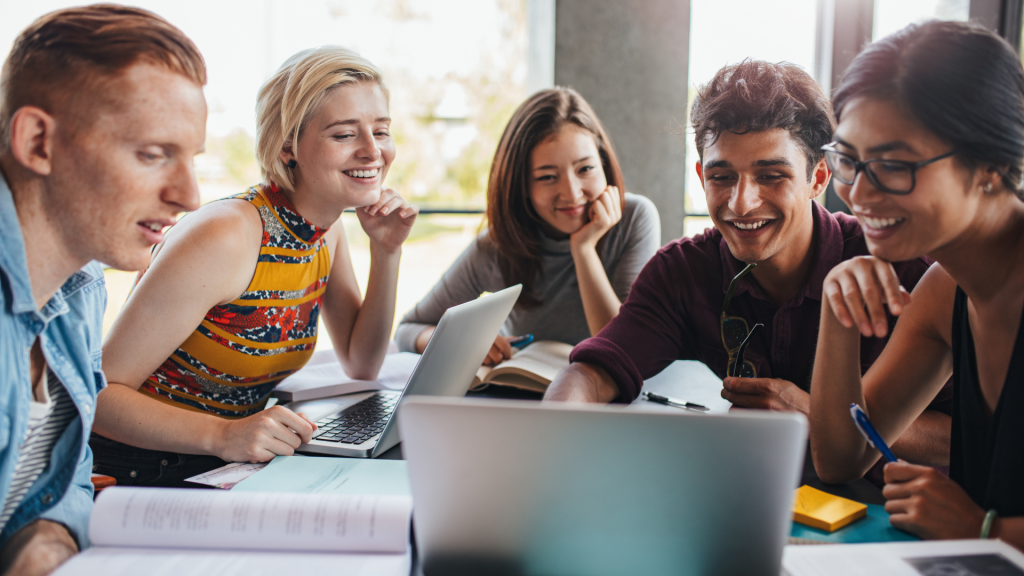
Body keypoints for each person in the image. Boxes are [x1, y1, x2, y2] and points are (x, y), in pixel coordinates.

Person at [543, 60, 951, 475]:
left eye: (771, 176)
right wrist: (551, 449)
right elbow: (590, 375)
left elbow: (967, 438)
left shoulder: (907, 271)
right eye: (722, 177)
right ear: (701, 176)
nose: (741, 204)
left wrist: (816, 414)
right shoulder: (682, 271)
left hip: (887, 504)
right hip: (748, 491)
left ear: (818, 177)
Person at [92, 46, 418, 487]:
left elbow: (362, 363)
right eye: (344, 135)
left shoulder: (327, 229)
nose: (372, 151)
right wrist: (224, 434)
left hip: (225, 464)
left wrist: (387, 250)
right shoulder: (225, 234)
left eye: (380, 131)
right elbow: (98, 395)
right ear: (288, 148)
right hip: (141, 470)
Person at [0, 5, 207, 574]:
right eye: (153, 154)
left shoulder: (81, 283)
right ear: (38, 142)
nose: (189, 196)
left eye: (191, 158)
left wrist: (45, 540)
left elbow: (62, 479)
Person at [809, 21, 1024, 547]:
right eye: (848, 161)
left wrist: (984, 530)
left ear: (992, 165)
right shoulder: (945, 291)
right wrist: (837, 311)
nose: (858, 193)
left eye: (891, 165)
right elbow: (841, 459)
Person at [395, 87, 661, 366]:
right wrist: (461, 343)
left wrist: (584, 249)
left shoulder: (634, 218)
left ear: (603, 164)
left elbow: (623, 348)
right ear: (521, 185)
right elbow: (408, 330)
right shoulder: (498, 246)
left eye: (585, 169)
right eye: (547, 177)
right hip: (523, 389)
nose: (571, 193)